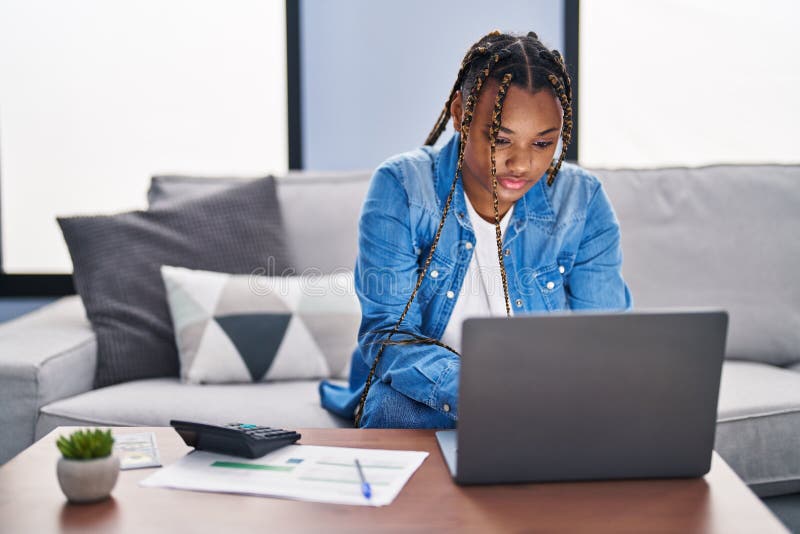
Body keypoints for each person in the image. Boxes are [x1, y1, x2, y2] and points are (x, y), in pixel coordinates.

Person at [318, 30, 632, 429]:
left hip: (544, 390)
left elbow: (604, 339)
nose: (521, 164)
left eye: (542, 143)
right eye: (501, 139)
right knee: (390, 410)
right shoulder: (403, 187)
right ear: (459, 113)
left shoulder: (581, 202)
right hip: (430, 390)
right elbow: (390, 334)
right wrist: (485, 391)